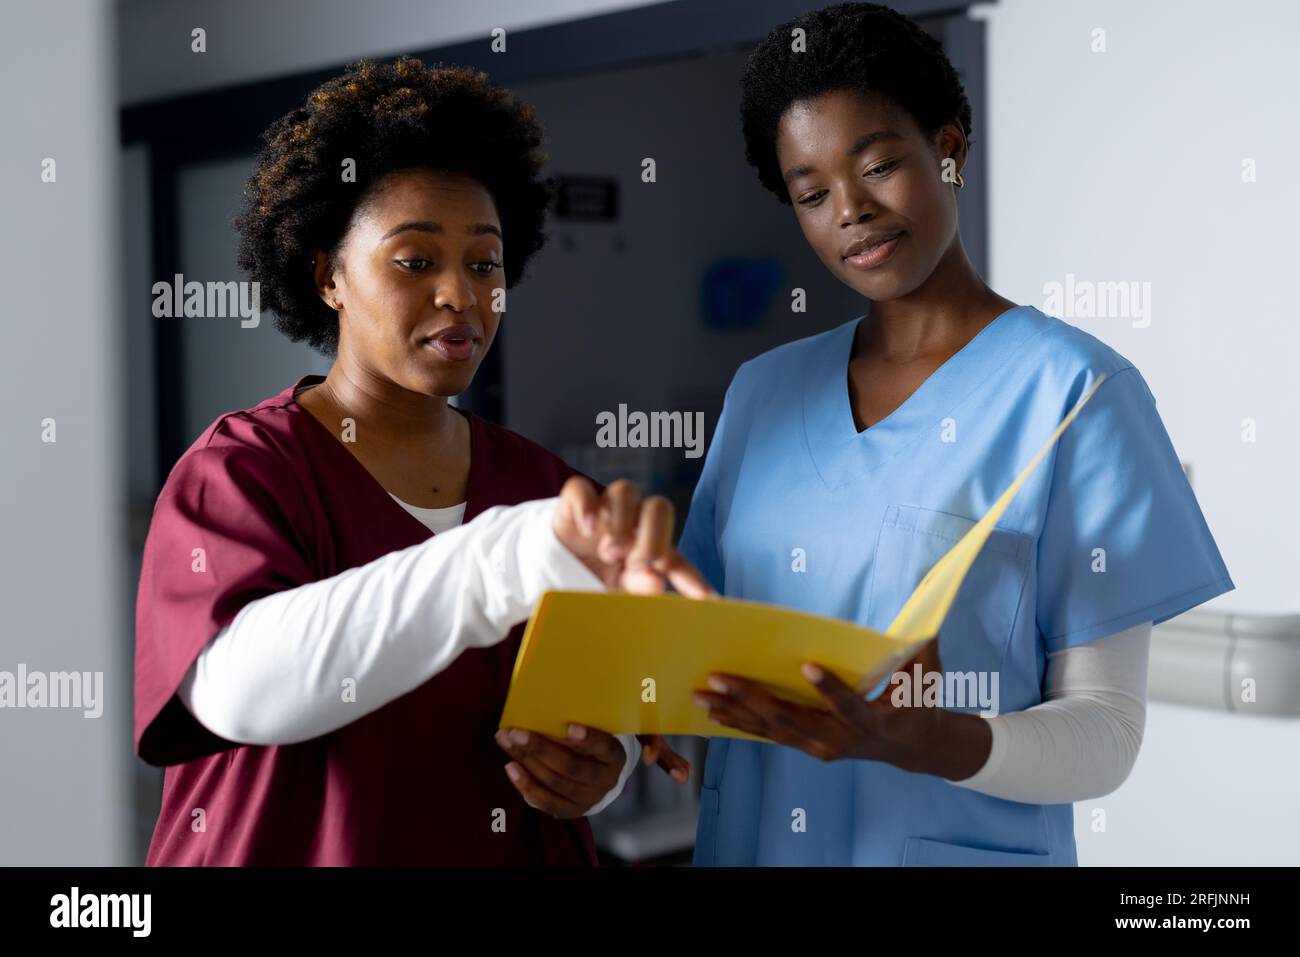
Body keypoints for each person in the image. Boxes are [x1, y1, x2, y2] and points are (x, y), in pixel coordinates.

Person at [680, 2, 1234, 866]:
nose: (851, 211)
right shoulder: (762, 395)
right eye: (813, 193)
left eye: (880, 166)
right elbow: (691, 655)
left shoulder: (1076, 394)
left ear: (950, 150)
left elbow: (1107, 733)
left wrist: (925, 738)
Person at [133, 57, 707, 866]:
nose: (460, 296)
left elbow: (585, 709)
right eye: (415, 262)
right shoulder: (244, 470)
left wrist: (597, 768)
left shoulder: (542, 485)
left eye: (484, 263)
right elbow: (235, 691)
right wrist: (499, 558)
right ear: (328, 275)